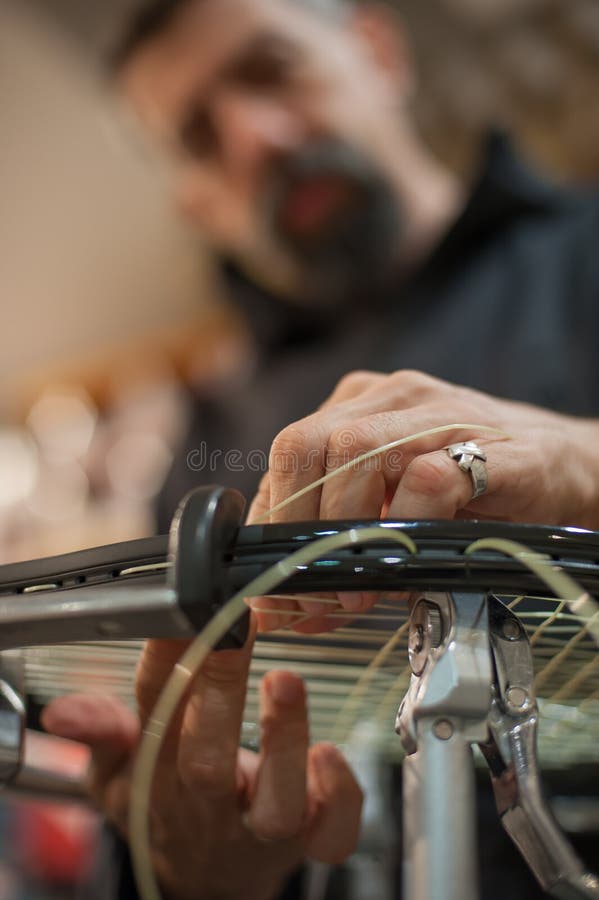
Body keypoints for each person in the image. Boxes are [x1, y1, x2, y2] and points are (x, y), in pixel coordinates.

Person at [42, 0, 599, 896]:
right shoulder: (200, 462)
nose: (256, 137)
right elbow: (176, 816)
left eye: (272, 71)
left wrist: (579, 461)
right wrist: (196, 874)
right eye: (199, 139)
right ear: (194, 201)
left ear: (377, 51)